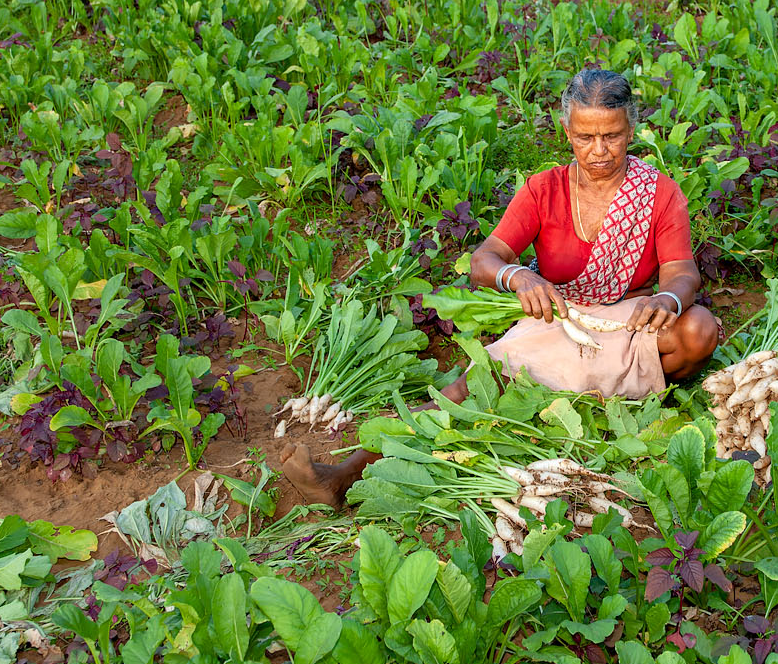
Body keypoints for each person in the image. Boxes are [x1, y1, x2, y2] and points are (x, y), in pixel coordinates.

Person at [280, 67, 720, 504]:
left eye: (613, 136)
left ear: (632, 130)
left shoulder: (657, 192)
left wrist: (667, 297)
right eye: (586, 137)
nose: (600, 151)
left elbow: (682, 273)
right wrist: (518, 275)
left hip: (627, 324)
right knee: (466, 391)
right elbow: (483, 261)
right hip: (559, 319)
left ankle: (617, 385)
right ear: (567, 131)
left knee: (699, 329)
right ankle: (341, 476)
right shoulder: (543, 190)